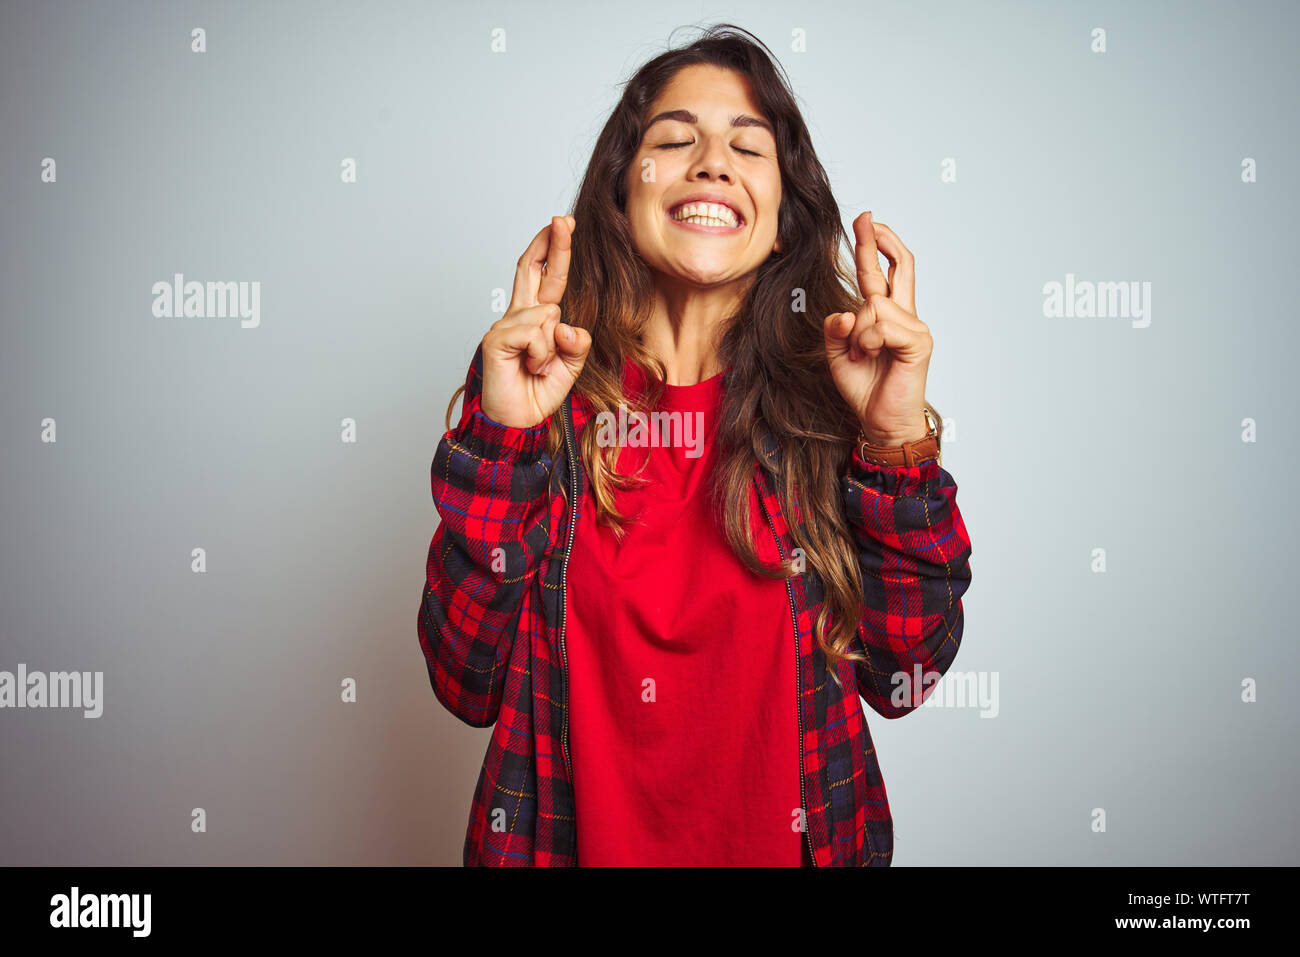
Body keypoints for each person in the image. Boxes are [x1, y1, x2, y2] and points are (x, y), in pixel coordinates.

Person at [417, 23, 973, 866]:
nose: (711, 161)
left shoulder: (836, 405)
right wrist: (506, 438)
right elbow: (465, 680)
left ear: (784, 219)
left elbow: (912, 672)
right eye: (675, 139)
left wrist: (895, 437)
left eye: (748, 149)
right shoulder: (543, 393)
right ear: (618, 194)